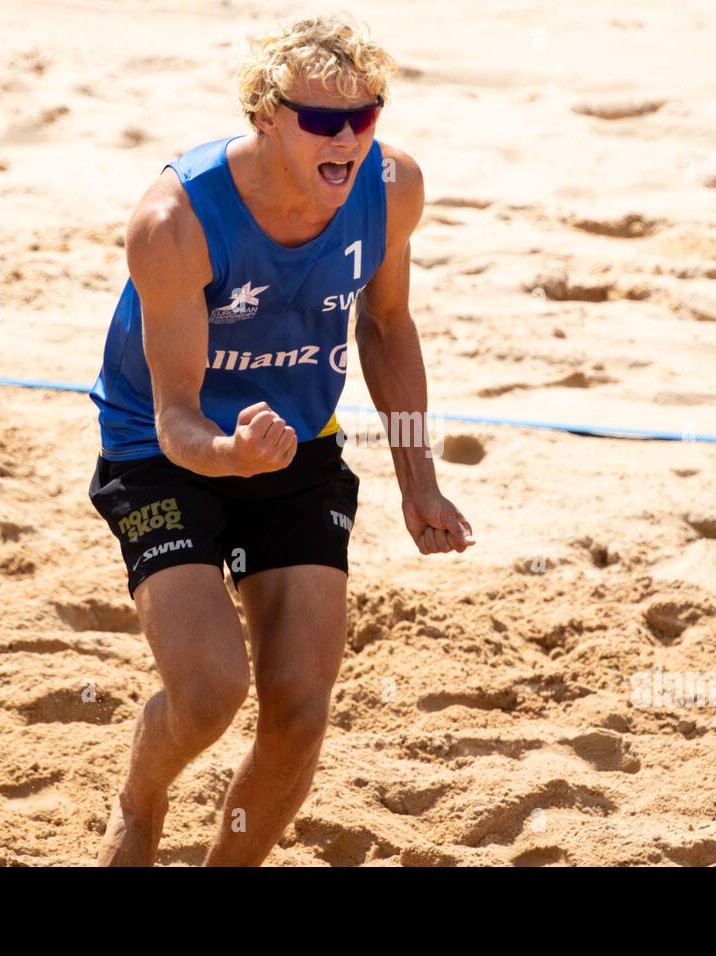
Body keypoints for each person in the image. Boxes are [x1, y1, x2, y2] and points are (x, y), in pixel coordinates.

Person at [86, 13, 474, 867]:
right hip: (161, 454)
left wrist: (419, 479)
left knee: (299, 713)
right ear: (265, 116)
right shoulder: (176, 221)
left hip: (297, 446)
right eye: (321, 121)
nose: (346, 138)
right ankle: (141, 802)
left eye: (363, 117)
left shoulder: (390, 187)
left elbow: (387, 323)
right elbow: (176, 415)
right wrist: (229, 455)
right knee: (210, 690)